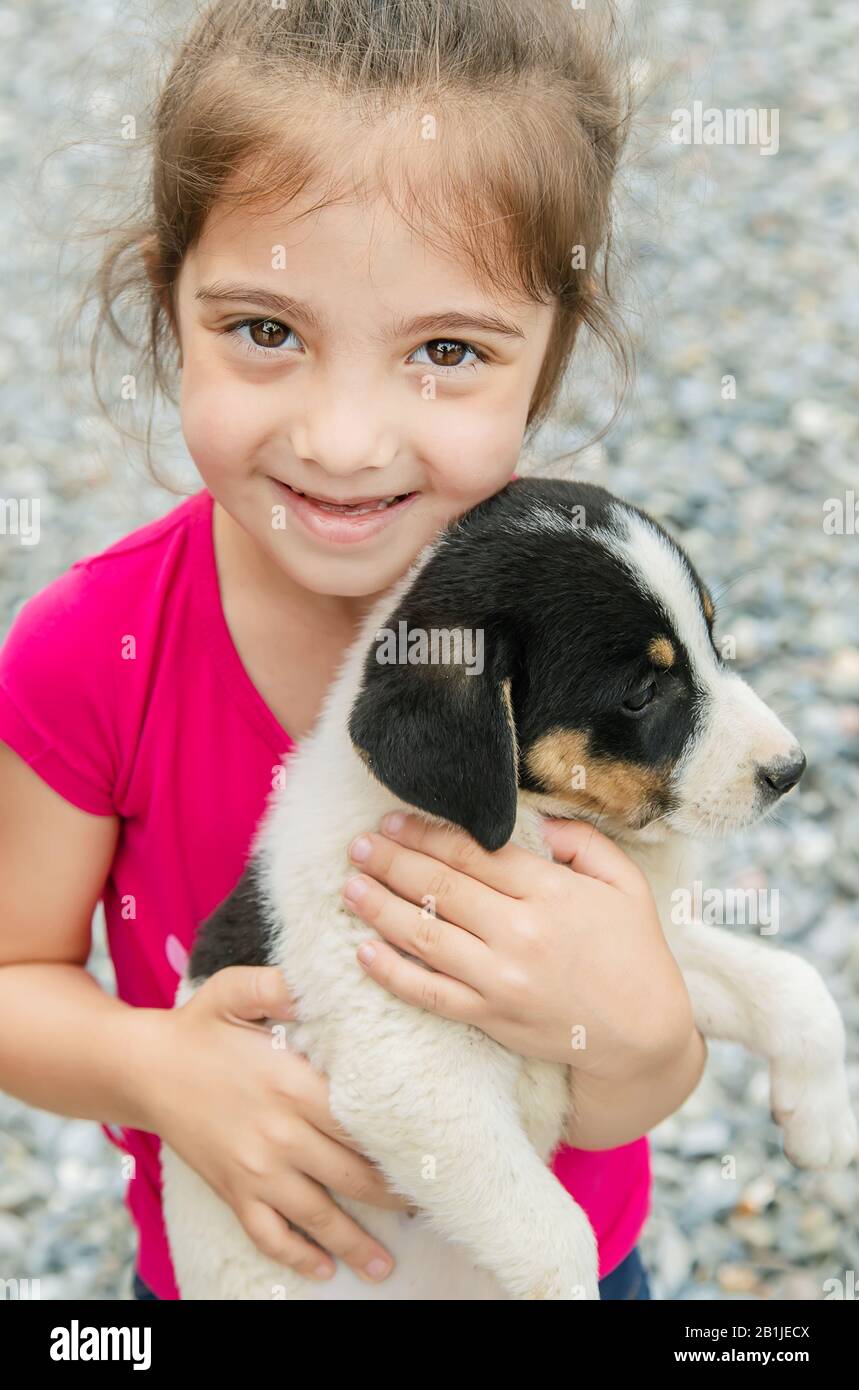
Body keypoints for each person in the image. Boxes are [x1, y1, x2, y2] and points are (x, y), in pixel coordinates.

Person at [0, 0, 706, 1301]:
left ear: (547, 352)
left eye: (447, 350)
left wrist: (642, 1025)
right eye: (265, 330)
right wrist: (163, 1070)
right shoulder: (92, 652)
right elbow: (15, 977)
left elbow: (616, 1105)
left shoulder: (588, 644)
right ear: (169, 299)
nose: (341, 438)